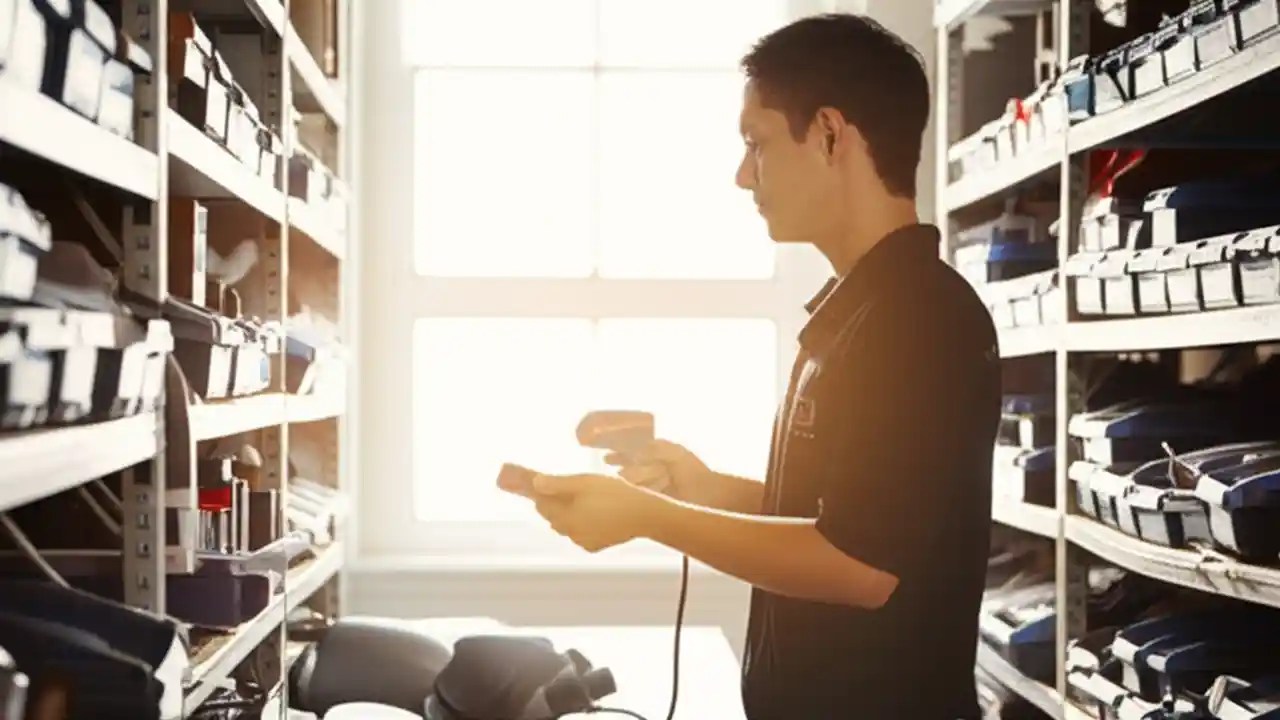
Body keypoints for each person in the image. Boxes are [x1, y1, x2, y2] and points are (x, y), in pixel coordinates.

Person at [527, 13, 1002, 720]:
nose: (743, 174)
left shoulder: (920, 318)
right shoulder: (856, 313)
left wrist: (649, 517)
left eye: (758, 143)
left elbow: (861, 567)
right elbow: (839, 518)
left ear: (832, 135)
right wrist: (703, 488)